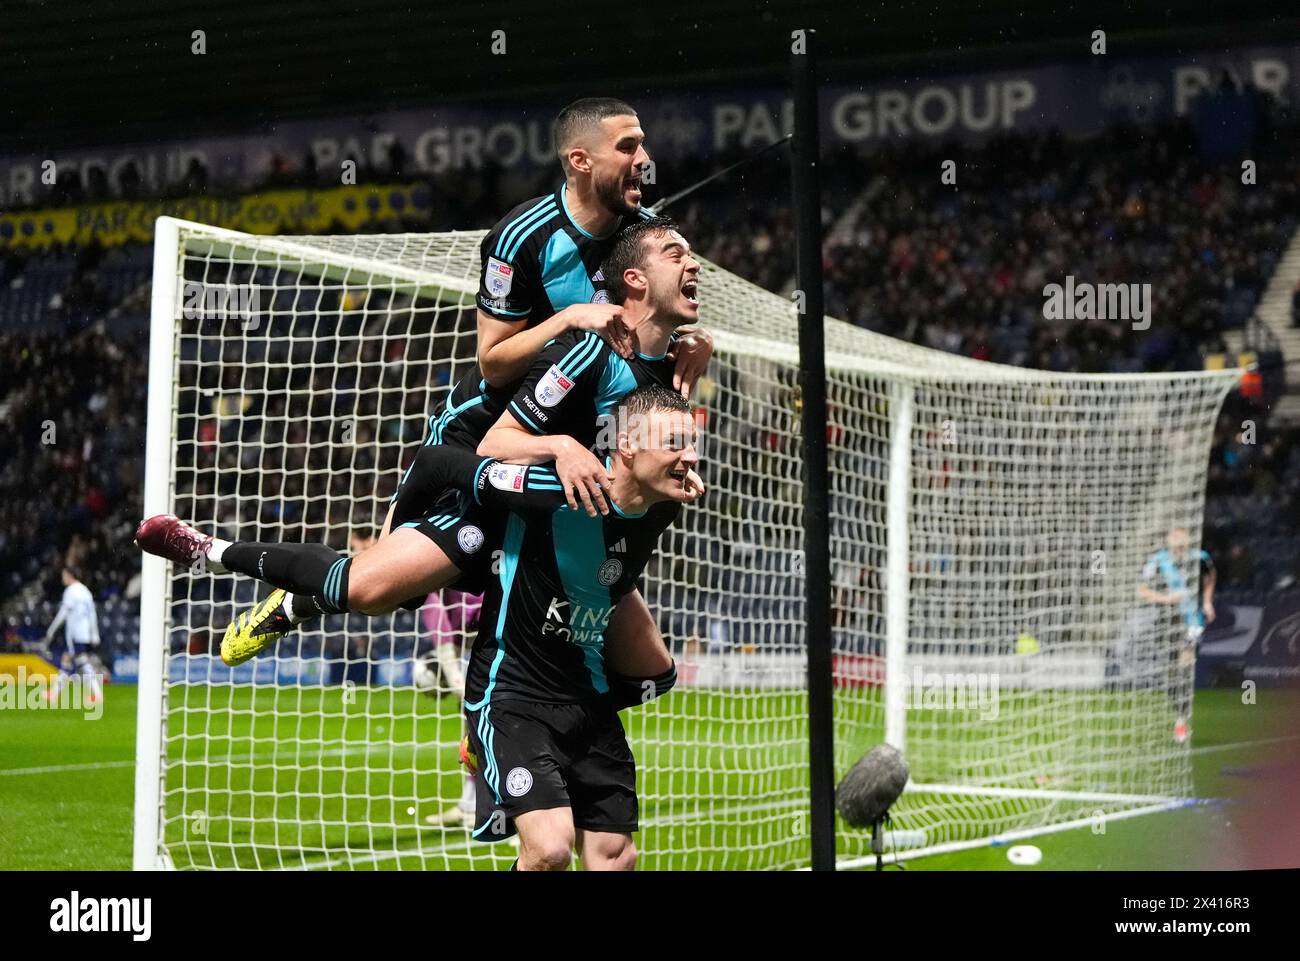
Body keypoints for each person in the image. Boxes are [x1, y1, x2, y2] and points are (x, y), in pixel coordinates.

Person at [136, 216, 704, 713]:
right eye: (675, 254)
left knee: (653, 675)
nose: (692, 263)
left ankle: (518, 717)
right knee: (372, 590)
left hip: (574, 528)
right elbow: (483, 445)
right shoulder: (583, 339)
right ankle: (210, 552)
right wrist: (559, 446)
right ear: (632, 278)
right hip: (497, 483)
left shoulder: (674, 366)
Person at [420, 384, 700, 869]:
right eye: (676, 443)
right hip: (515, 696)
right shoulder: (553, 489)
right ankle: (488, 742)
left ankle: (494, 750)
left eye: (693, 444)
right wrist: (398, 529)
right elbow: (440, 462)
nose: (691, 457)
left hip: (586, 699)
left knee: (615, 858)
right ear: (627, 447)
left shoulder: (664, 506)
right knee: (549, 850)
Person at [1136, 527, 1216, 742]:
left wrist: (1207, 602)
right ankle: (1180, 716)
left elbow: (1210, 578)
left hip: (1192, 621)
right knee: (1170, 674)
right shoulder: (1157, 560)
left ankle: (1181, 722)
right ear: (1169, 541)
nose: (1179, 541)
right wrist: (1165, 598)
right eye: (1175, 538)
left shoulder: (1200, 557)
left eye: (1182, 537)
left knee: (1184, 667)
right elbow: (1141, 590)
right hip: (1166, 622)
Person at [43, 567, 103, 703]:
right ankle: (55, 693)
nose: (62, 578)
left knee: (77, 661)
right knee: (72, 660)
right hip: (84, 633)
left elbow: (63, 613)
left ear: (70, 575)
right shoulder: (85, 591)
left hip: (75, 633)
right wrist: (94, 633)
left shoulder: (70, 592)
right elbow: (92, 613)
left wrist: (51, 629)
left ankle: (97, 695)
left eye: (64, 575)